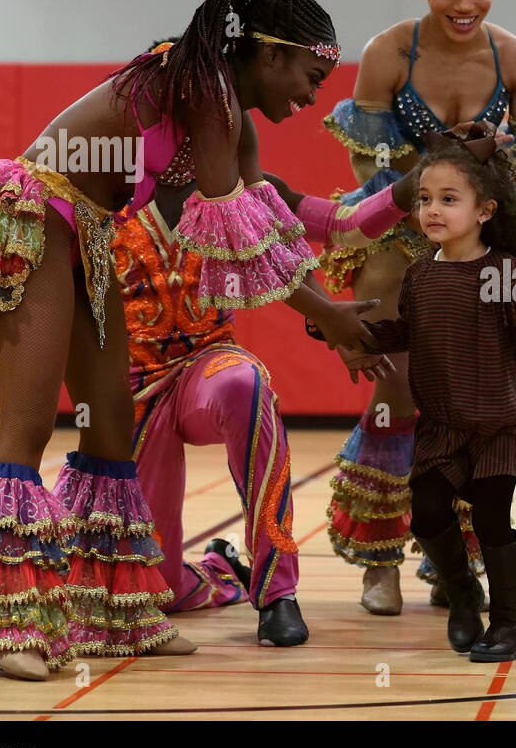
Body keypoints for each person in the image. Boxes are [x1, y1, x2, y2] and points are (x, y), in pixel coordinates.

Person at [0, 0, 378, 679]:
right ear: (269, 53)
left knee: (108, 425)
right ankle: (6, 627)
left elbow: (269, 218)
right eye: (311, 75)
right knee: (31, 423)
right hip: (38, 220)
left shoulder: (229, 114)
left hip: (92, 236)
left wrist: (333, 303)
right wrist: (326, 315)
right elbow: (237, 238)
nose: (313, 94)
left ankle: (119, 612)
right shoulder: (202, 90)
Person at [319, 0, 516, 615]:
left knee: (474, 402)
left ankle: (452, 553)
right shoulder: (388, 53)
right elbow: (370, 172)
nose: (464, 3)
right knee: (398, 397)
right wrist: (425, 210)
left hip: (480, 253)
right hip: (401, 242)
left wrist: (501, 249)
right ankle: (379, 562)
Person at [117, 38, 414, 646]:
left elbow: (344, 226)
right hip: (129, 390)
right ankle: (226, 570)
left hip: (207, 365)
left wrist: (412, 190)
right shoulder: (108, 192)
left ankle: (278, 592)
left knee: (245, 382)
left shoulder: (248, 189)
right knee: (161, 593)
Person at [309, 126, 516, 661]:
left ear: (484, 210)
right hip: (441, 426)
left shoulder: (507, 272)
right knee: (429, 512)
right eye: (425, 200)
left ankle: (510, 625)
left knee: (490, 520)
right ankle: (462, 595)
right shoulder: (419, 276)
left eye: (449, 200)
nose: (433, 210)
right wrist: (334, 326)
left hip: (498, 425)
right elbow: (401, 334)